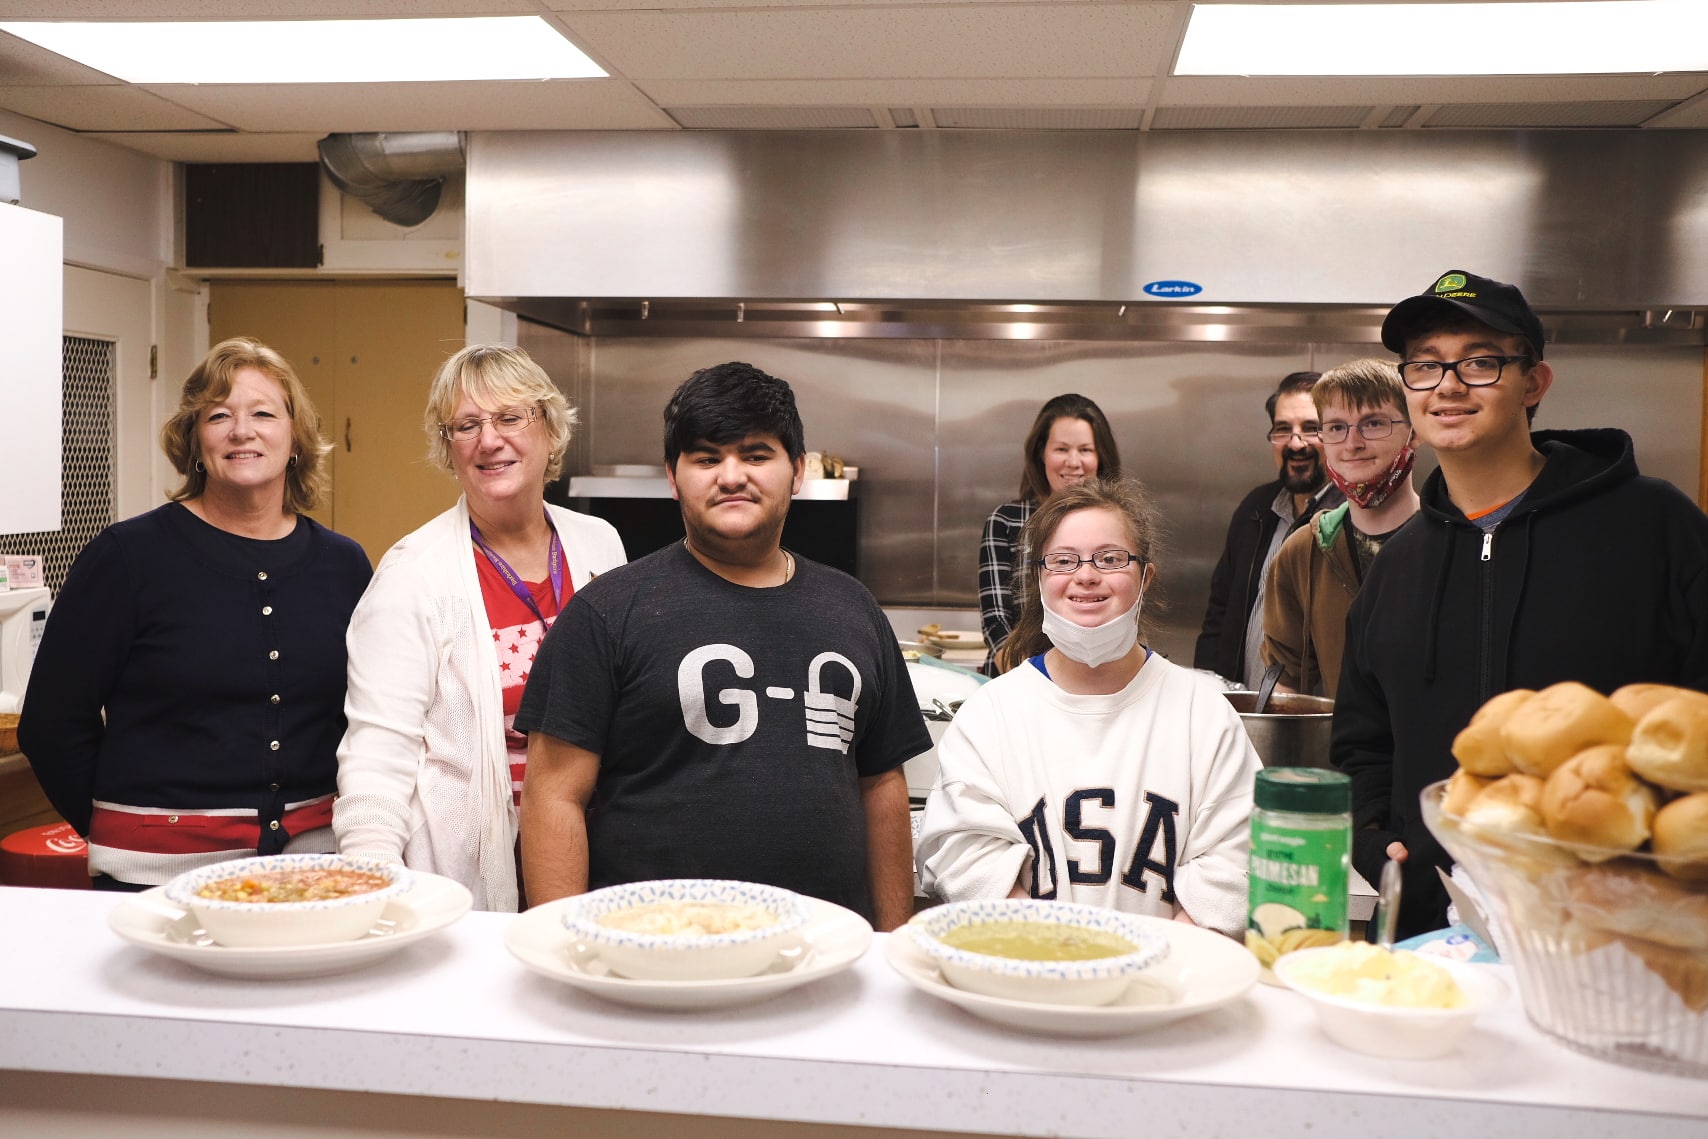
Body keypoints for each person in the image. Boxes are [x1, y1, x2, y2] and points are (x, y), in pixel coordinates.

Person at [1334, 269, 1708, 938]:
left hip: (1621, 936)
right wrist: (1370, 833)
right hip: (1431, 939)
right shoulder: (1398, 565)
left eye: (1480, 362)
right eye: (1426, 365)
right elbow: (1364, 738)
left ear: (1534, 382)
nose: (1448, 384)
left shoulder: (1656, 526)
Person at [514, 361, 931, 929]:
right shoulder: (607, 613)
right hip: (653, 956)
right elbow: (551, 797)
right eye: (707, 458)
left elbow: (882, 784)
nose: (731, 476)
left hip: (826, 953)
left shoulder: (853, 609)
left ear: (798, 471)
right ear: (673, 475)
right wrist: (564, 947)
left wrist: (892, 945)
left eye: (756, 455)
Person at [18, 338, 372, 889]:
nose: (241, 430)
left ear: (296, 436)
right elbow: (51, 724)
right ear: (194, 440)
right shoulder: (127, 558)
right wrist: (120, 831)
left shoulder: (344, 564)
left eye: (262, 413)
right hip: (155, 875)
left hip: (312, 872)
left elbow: (365, 716)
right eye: (218, 415)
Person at [334, 345, 625, 912]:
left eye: (510, 417)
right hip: (466, 884)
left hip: (596, 860)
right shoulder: (413, 574)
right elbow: (376, 752)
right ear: (450, 448)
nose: (489, 440)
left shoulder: (600, 545)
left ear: (549, 427)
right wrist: (374, 891)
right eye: (467, 425)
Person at [919, 478, 1259, 938]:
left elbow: (1237, 862)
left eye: (1111, 558)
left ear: (1145, 577)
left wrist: (1158, 967)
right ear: (1038, 578)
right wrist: (1055, 956)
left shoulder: (1205, 716)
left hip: (1166, 987)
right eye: (1063, 561)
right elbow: (962, 854)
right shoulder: (990, 715)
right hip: (1024, 979)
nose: (1086, 575)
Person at [1261, 359, 1420, 698]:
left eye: (1374, 423)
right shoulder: (1304, 551)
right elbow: (1286, 685)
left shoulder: (1455, 540)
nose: (1352, 443)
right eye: (1335, 427)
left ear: (1415, 431)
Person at [1194, 371, 1345, 689]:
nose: (1295, 443)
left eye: (1310, 429)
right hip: (1242, 714)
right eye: (1282, 430)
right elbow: (1219, 613)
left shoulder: (1355, 518)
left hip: (1318, 722)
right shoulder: (1256, 509)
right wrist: (1207, 691)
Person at [978, 394, 1121, 674]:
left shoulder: (1120, 526)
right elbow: (996, 622)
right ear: (1041, 453)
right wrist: (1037, 686)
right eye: (1061, 449)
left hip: (1099, 682)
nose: (1073, 462)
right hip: (1016, 682)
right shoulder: (1005, 521)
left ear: (1101, 456)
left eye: (1085, 450)